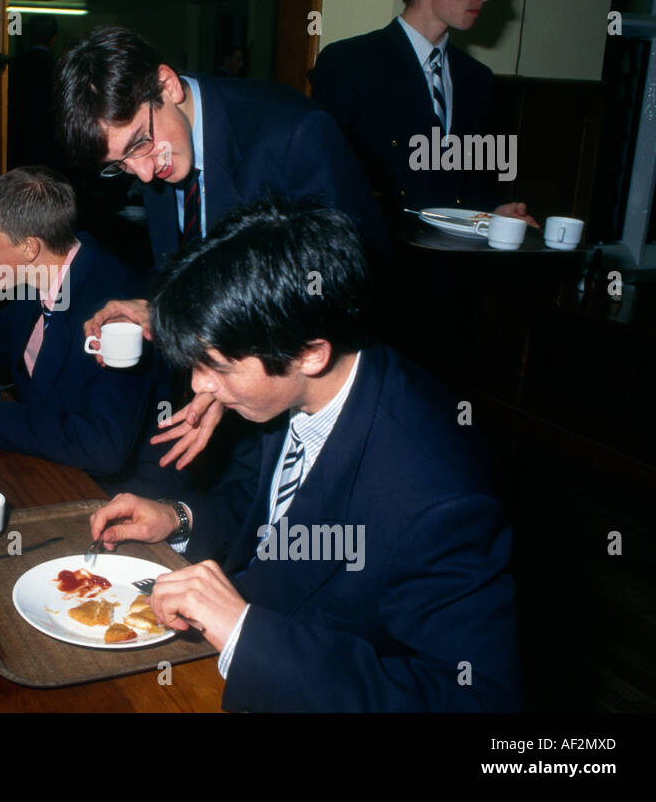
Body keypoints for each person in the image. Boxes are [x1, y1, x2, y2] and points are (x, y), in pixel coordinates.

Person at [88, 197, 520, 712]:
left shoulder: (437, 498)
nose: (199, 386)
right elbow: (277, 518)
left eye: (217, 366)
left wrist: (247, 636)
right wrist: (180, 518)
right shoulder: (300, 384)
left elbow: (480, 701)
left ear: (311, 353)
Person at [56, 25, 389, 473]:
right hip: (230, 402)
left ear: (167, 85)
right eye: (120, 166)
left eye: (138, 143)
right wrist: (158, 310)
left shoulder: (295, 134)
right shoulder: (157, 151)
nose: (145, 174)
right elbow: (188, 270)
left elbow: (349, 288)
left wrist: (230, 376)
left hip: (318, 403)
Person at [0, 167, 164, 481]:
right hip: (41, 460)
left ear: (30, 247)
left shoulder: (116, 309)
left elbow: (103, 445)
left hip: (101, 489)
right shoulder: (33, 277)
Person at [311, 0, 535, 223]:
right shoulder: (349, 63)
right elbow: (324, 179)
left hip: (450, 261)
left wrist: (492, 214)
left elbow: (470, 182)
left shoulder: (478, 79)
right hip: (375, 257)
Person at [7, 15, 62, 169]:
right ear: (54, 39)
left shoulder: (12, 66)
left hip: (16, 143)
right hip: (47, 144)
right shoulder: (57, 69)